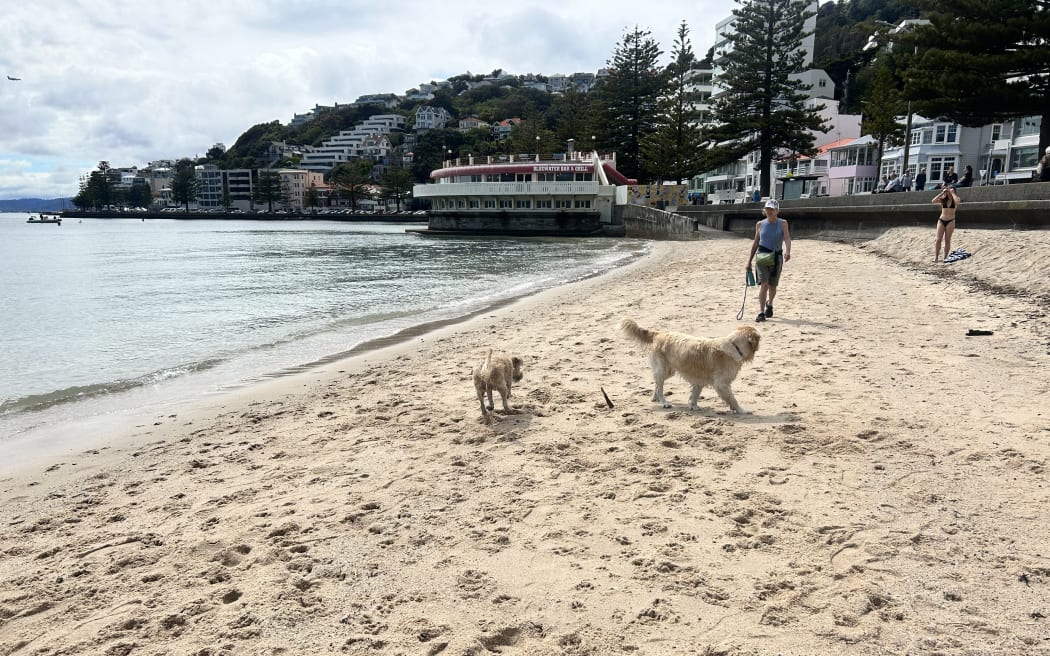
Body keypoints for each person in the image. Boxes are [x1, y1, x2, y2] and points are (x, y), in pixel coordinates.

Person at [747, 199, 792, 322]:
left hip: (776, 258)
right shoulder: (760, 224)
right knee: (764, 285)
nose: (769, 211)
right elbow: (756, 242)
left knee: (773, 286)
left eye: (771, 209)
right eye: (767, 209)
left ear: (777, 211)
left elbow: (787, 238)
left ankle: (770, 304)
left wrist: (788, 251)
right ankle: (761, 312)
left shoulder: (783, 223)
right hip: (762, 257)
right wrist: (749, 261)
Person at [932, 184, 961, 262]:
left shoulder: (956, 198)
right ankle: (936, 257)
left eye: (951, 190)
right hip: (941, 220)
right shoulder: (944, 199)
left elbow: (957, 202)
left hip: (951, 221)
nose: (949, 192)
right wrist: (942, 193)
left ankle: (945, 257)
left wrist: (953, 193)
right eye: (949, 190)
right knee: (938, 239)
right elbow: (933, 201)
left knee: (947, 240)